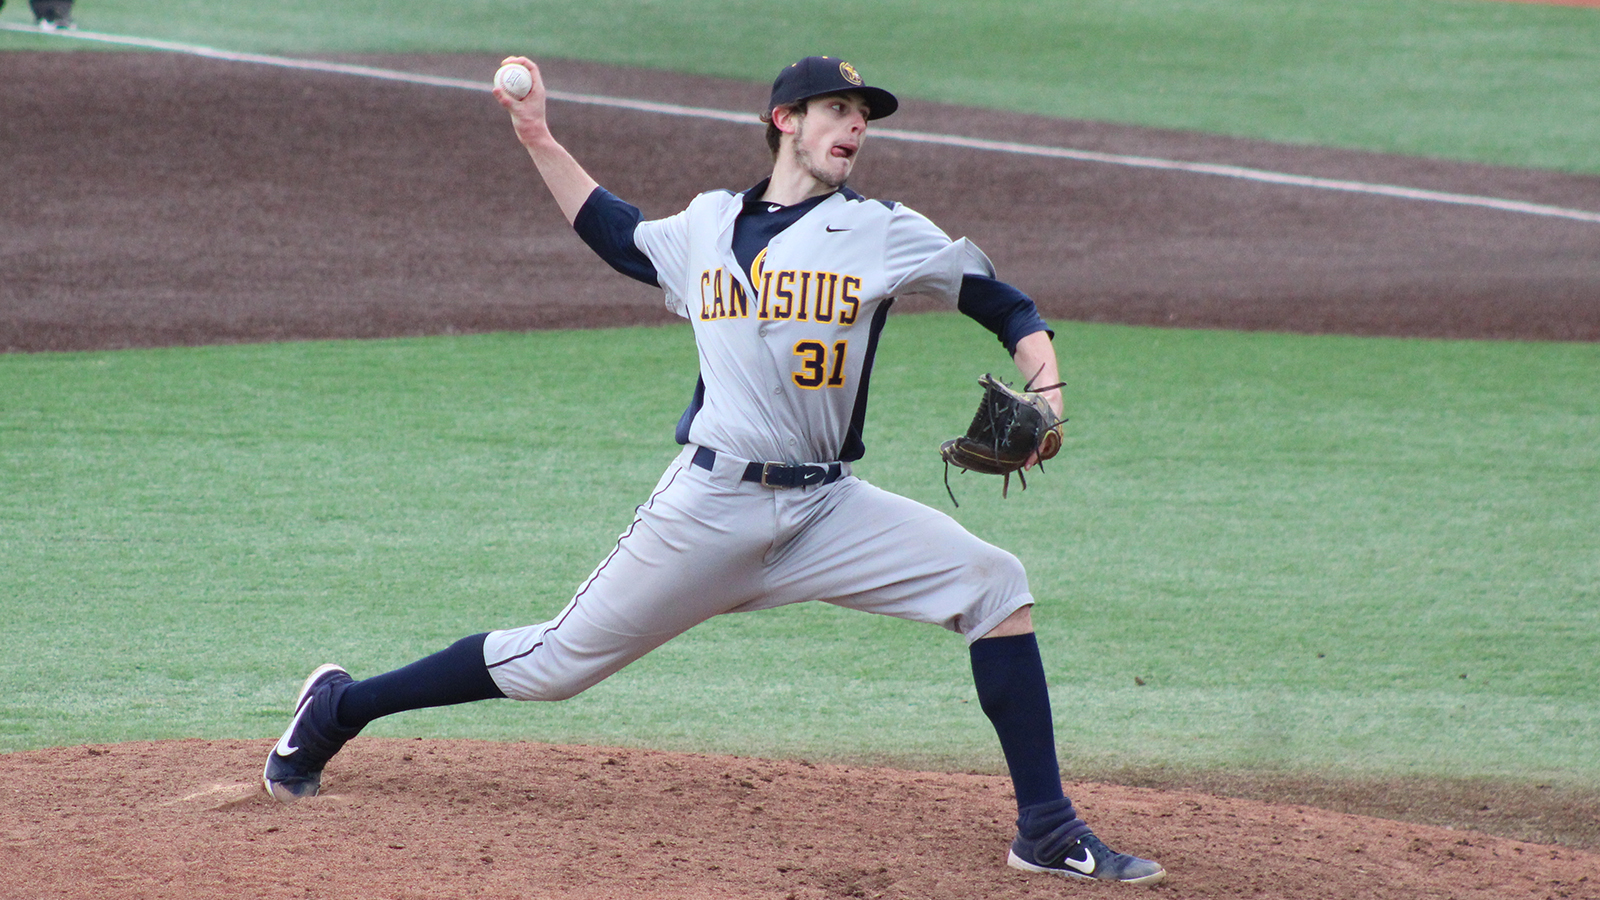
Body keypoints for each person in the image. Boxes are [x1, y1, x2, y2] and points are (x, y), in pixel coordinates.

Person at [263, 54, 1165, 886]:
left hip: (828, 511)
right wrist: (540, 135)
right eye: (836, 110)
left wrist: (1046, 395)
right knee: (553, 667)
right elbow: (615, 232)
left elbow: (1006, 304)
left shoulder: (882, 232)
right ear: (786, 120)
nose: (854, 127)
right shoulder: (703, 226)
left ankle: (1045, 829)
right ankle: (341, 708)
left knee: (994, 584)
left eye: (863, 116)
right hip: (708, 508)